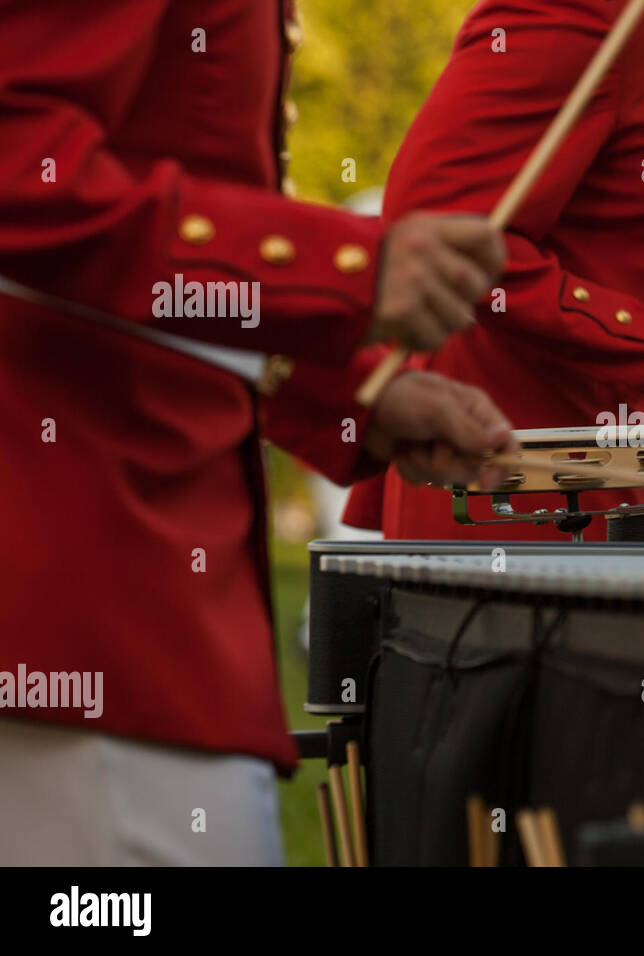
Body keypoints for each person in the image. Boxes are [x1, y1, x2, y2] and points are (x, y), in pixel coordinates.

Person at [0, 1, 516, 864]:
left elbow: (127, 273)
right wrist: (344, 269)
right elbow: (21, 164)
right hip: (79, 593)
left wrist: (355, 394)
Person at [343, 0, 644, 541]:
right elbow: (436, 234)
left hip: (614, 464)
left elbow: (620, 264)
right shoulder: (580, 12)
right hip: (512, 481)